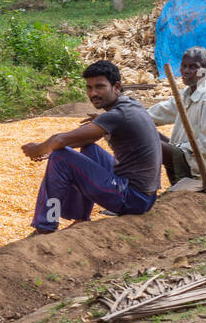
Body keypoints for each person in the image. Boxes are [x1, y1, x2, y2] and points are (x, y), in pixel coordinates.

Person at [22, 60, 161, 234]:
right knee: (89, 149)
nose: (93, 93)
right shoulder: (130, 104)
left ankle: (45, 226)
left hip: (133, 198)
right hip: (145, 195)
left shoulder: (118, 115)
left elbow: (59, 140)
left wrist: (38, 149)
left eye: (100, 87)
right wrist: (51, 149)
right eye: (89, 88)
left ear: (116, 87)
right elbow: (85, 138)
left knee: (60, 157)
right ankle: (81, 218)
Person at [148, 46, 206, 185]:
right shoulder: (186, 94)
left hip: (200, 162)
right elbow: (162, 111)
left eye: (193, 67)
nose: (186, 71)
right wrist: (136, 117)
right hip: (185, 152)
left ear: (205, 72)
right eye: (184, 66)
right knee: (144, 129)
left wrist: (180, 148)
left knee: (147, 143)